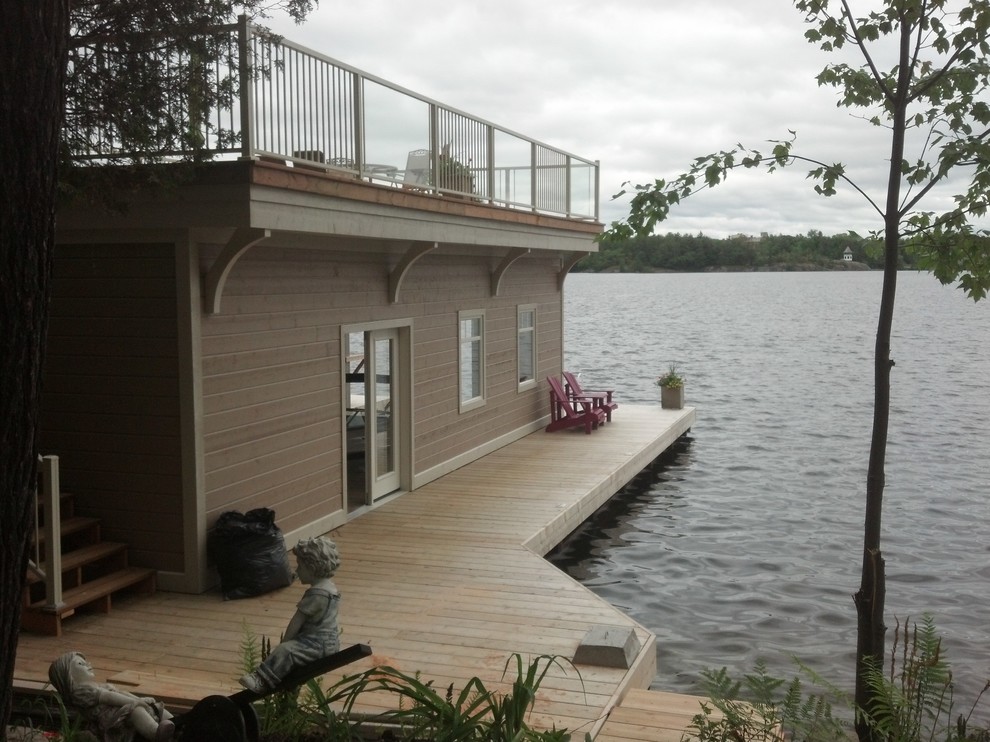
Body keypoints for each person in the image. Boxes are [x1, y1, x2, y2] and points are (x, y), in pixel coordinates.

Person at [239, 536, 341, 693]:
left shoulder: (316, 593)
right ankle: (288, 684)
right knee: (292, 653)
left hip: (316, 644)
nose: (297, 570)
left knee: (286, 651)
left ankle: (260, 680)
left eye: (300, 566)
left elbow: (297, 621)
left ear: (312, 567)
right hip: (329, 644)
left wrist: (285, 642)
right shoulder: (331, 589)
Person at [48, 651, 174, 741]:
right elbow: (109, 697)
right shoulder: (81, 692)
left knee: (156, 707)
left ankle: (175, 724)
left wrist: (139, 699)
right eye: (81, 664)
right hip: (111, 718)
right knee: (137, 711)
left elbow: (120, 693)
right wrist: (135, 703)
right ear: (68, 677)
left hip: (119, 709)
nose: (88, 665)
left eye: (86, 662)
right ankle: (156, 733)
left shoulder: (96, 686)